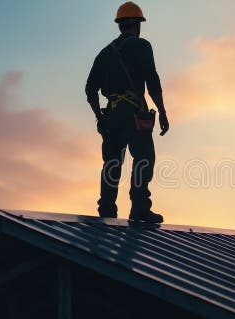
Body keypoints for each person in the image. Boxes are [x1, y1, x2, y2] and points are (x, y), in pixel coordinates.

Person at [85, 1, 169, 223]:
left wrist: (100, 117)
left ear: (120, 25)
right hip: (132, 112)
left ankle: (106, 210)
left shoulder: (104, 53)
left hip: (111, 115)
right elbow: (152, 80)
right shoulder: (142, 46)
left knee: (112, 161)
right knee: (143, 158)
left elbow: (89, 89)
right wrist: (162, 111)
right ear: (137, 25)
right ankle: (140, 208)